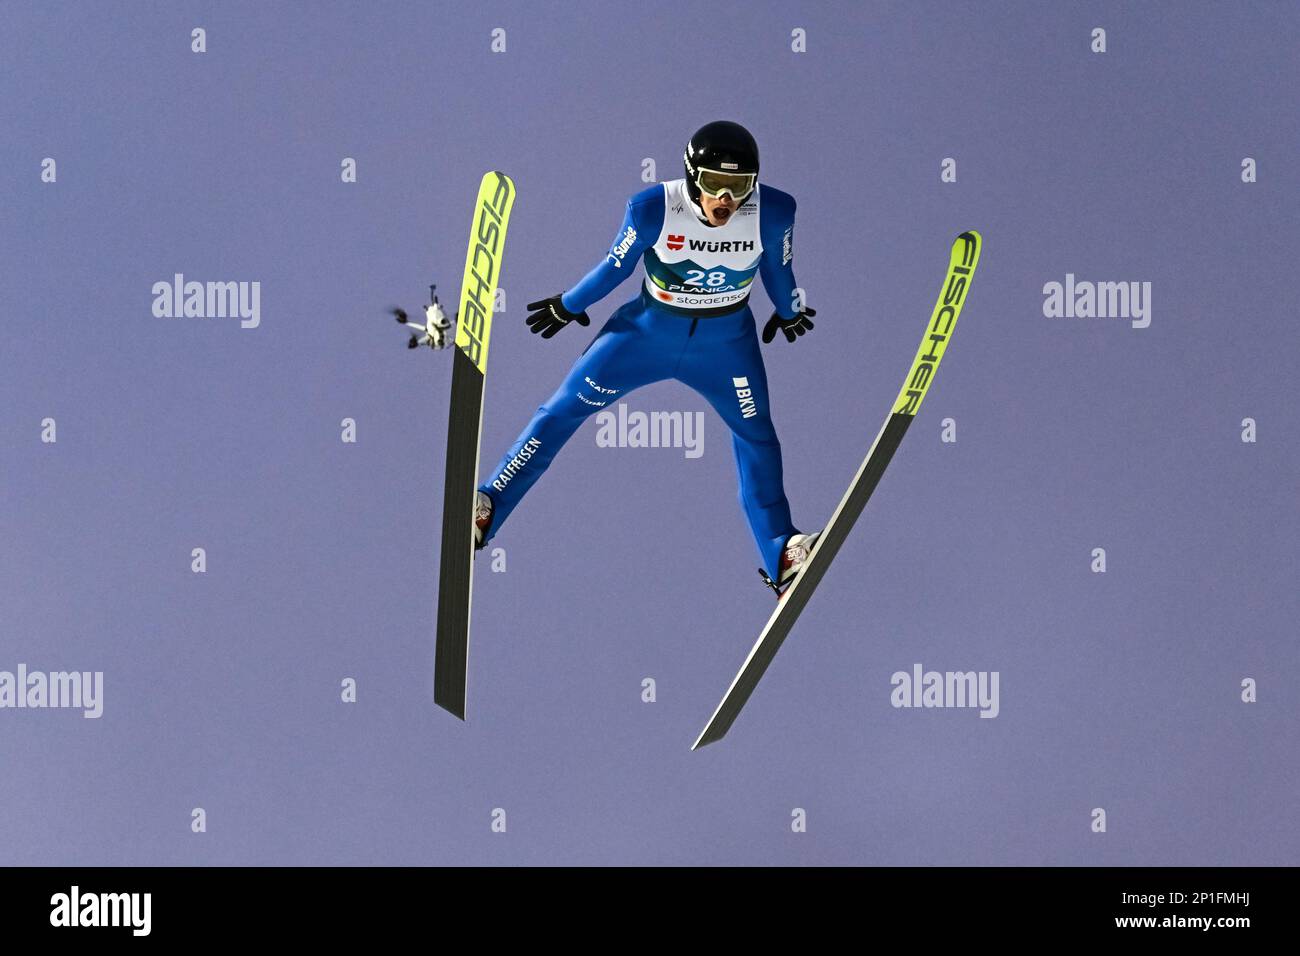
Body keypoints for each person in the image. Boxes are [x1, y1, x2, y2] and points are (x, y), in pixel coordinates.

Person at [474, 120, 820, 595]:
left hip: (725, 347)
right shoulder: (653, 208)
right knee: (562, 408)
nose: (726, 199)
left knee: (757, 436)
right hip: (644, 334)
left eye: (739, 186)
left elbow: (779, 267)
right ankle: (488, 504)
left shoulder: (775, 211)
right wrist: (569, 304)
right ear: (692, 176)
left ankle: (782, 551)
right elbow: (615, 265)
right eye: (715, 184)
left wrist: (788, 309)